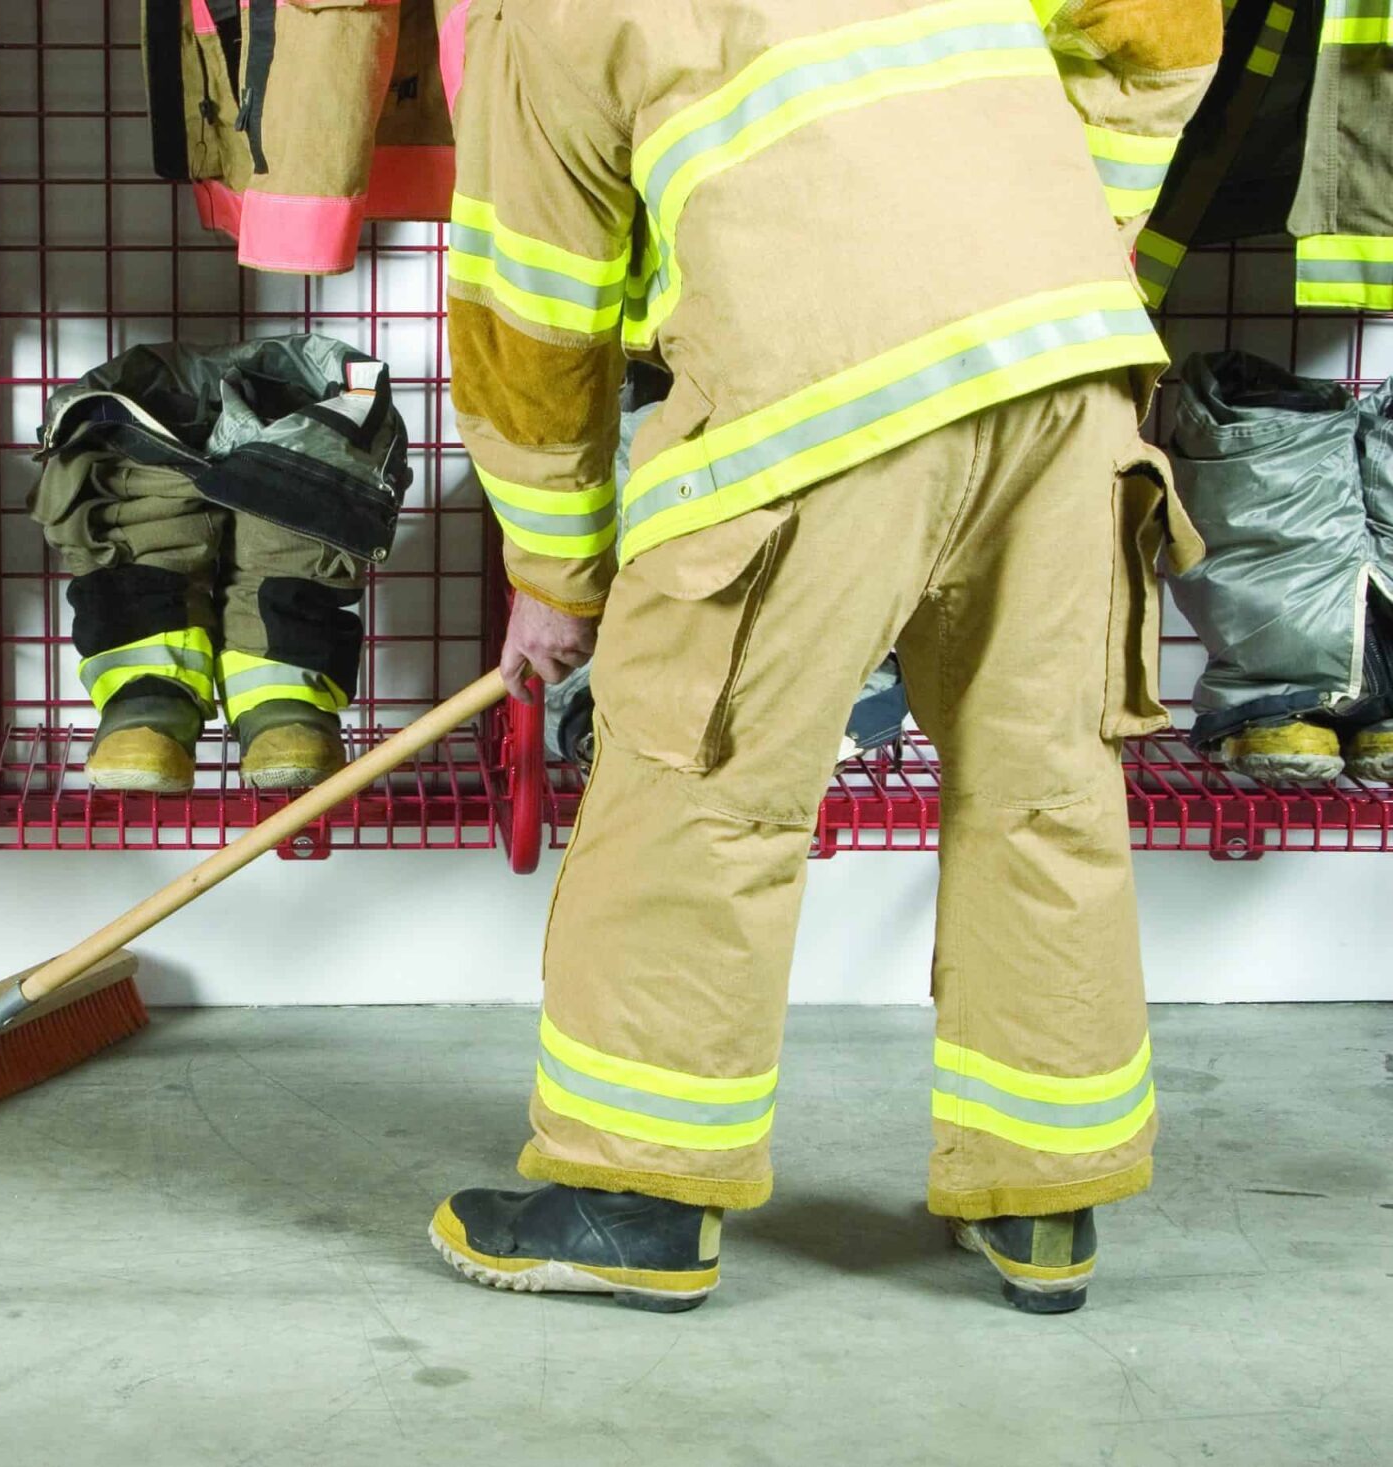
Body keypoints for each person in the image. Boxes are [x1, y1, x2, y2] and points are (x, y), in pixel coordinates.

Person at [430, 0, 1221, 1313]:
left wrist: (556, 574)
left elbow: (536, 311)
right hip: (1073, 375)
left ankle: (636, 1205)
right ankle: (1044, 1206)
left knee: (703, 786)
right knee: (1044, 795)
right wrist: (1081, 223)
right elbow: (1166, 29)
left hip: (816, 403)